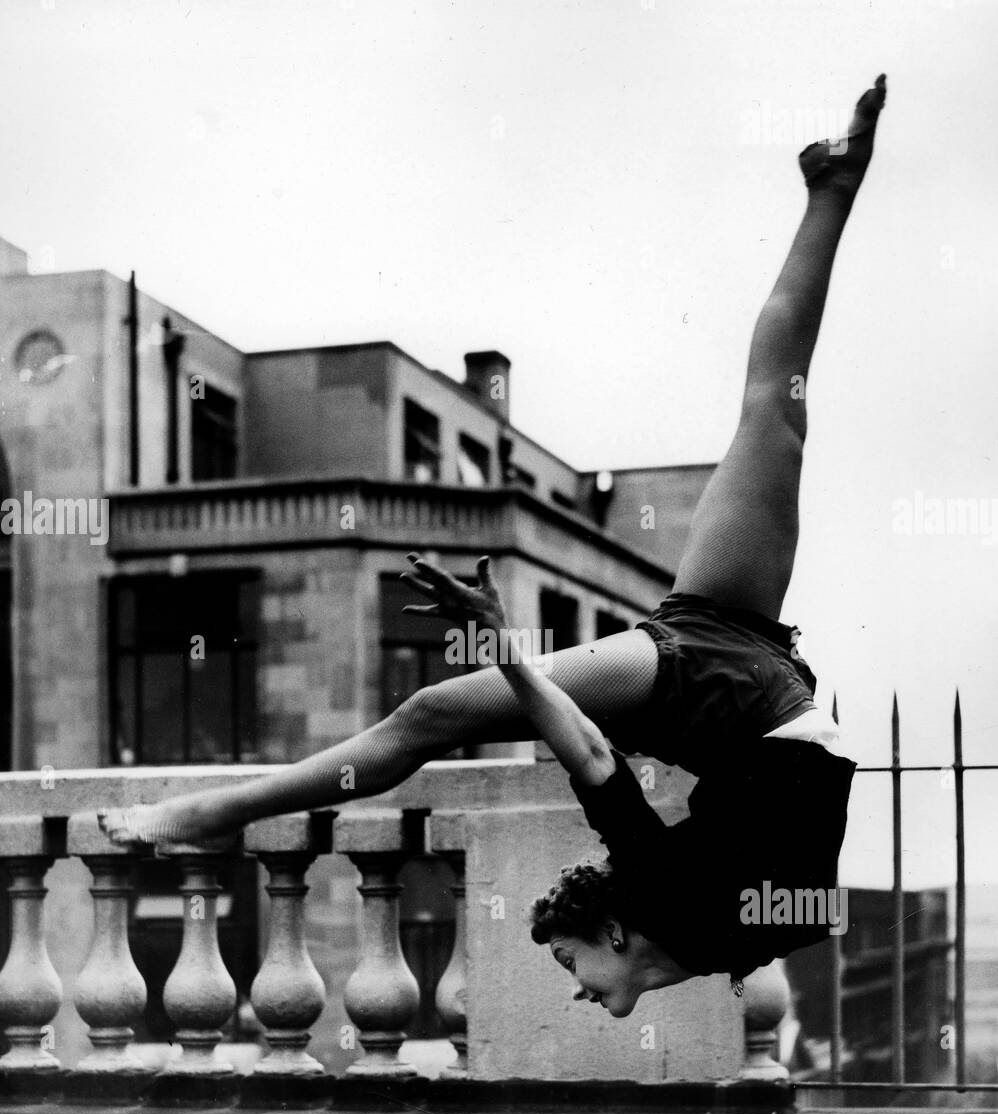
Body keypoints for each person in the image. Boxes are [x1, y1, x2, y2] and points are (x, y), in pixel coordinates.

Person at [100, 75, 886, 1014]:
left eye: (565, 969)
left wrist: (507, 648)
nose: (579, 992)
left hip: (745, 692)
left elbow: (594, 756)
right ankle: (832, 192)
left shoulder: (684, 914)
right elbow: (620, 766)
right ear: (617, 933)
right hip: (745, 688)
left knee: (436, 710)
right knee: (774, 415)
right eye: (572, 966)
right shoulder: (691, 918)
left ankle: (210, 813)